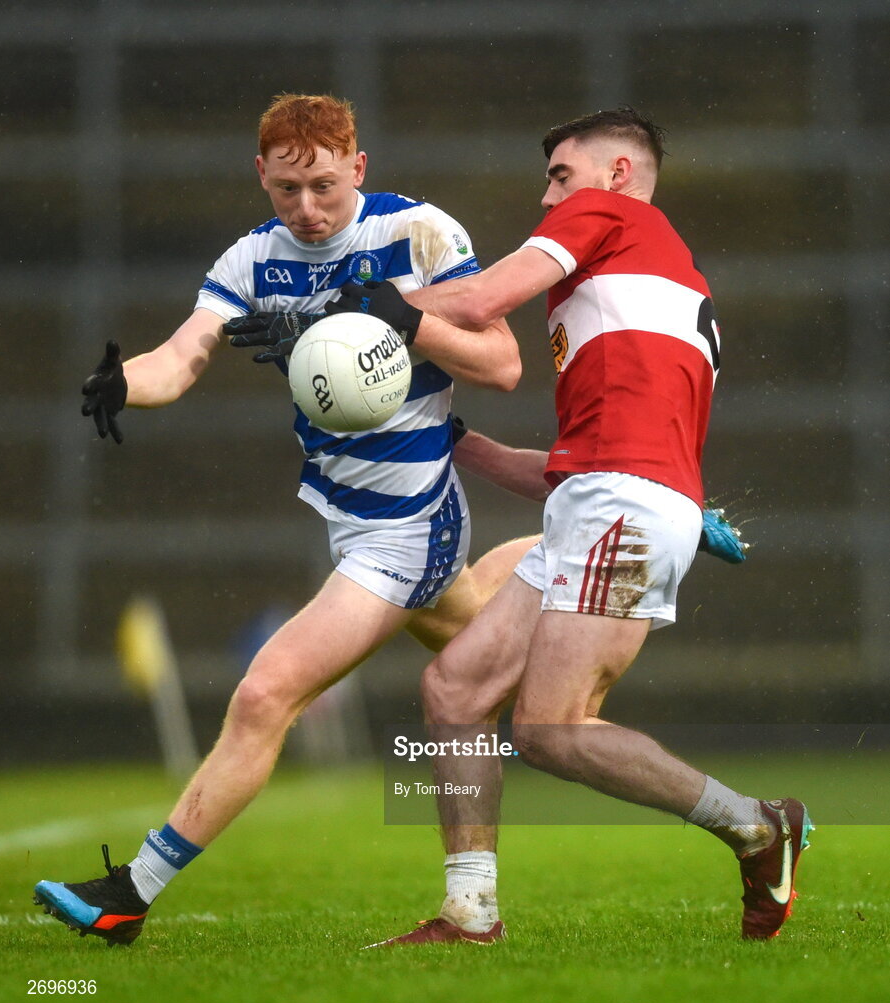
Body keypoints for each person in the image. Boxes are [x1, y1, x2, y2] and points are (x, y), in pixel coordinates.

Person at [31, 92, 534, 946]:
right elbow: (184, 354)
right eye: (288, 191)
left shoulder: (417, 236)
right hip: (349, 513)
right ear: (260, 174)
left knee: (266, 693)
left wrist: (404, 321)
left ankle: (129, 894)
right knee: (477, 633)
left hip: (408, 518)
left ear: (359, 169)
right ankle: (612, 537)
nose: (307, 210)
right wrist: (126, 382)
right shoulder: (251, 259)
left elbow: (504, 364)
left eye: (326, 188)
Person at [330, 108, 811, 945]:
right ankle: (469, 914)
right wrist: (454, 443)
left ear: (616, 174)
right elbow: (563, 472)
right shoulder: (636, 281)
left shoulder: (610, 215)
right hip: (603, 502)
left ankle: (758, 826)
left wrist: (367, 313)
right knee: (455, 690)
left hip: (622, 507)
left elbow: (480, 299)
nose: (547, 193)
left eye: (560, 174)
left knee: (550, 729)